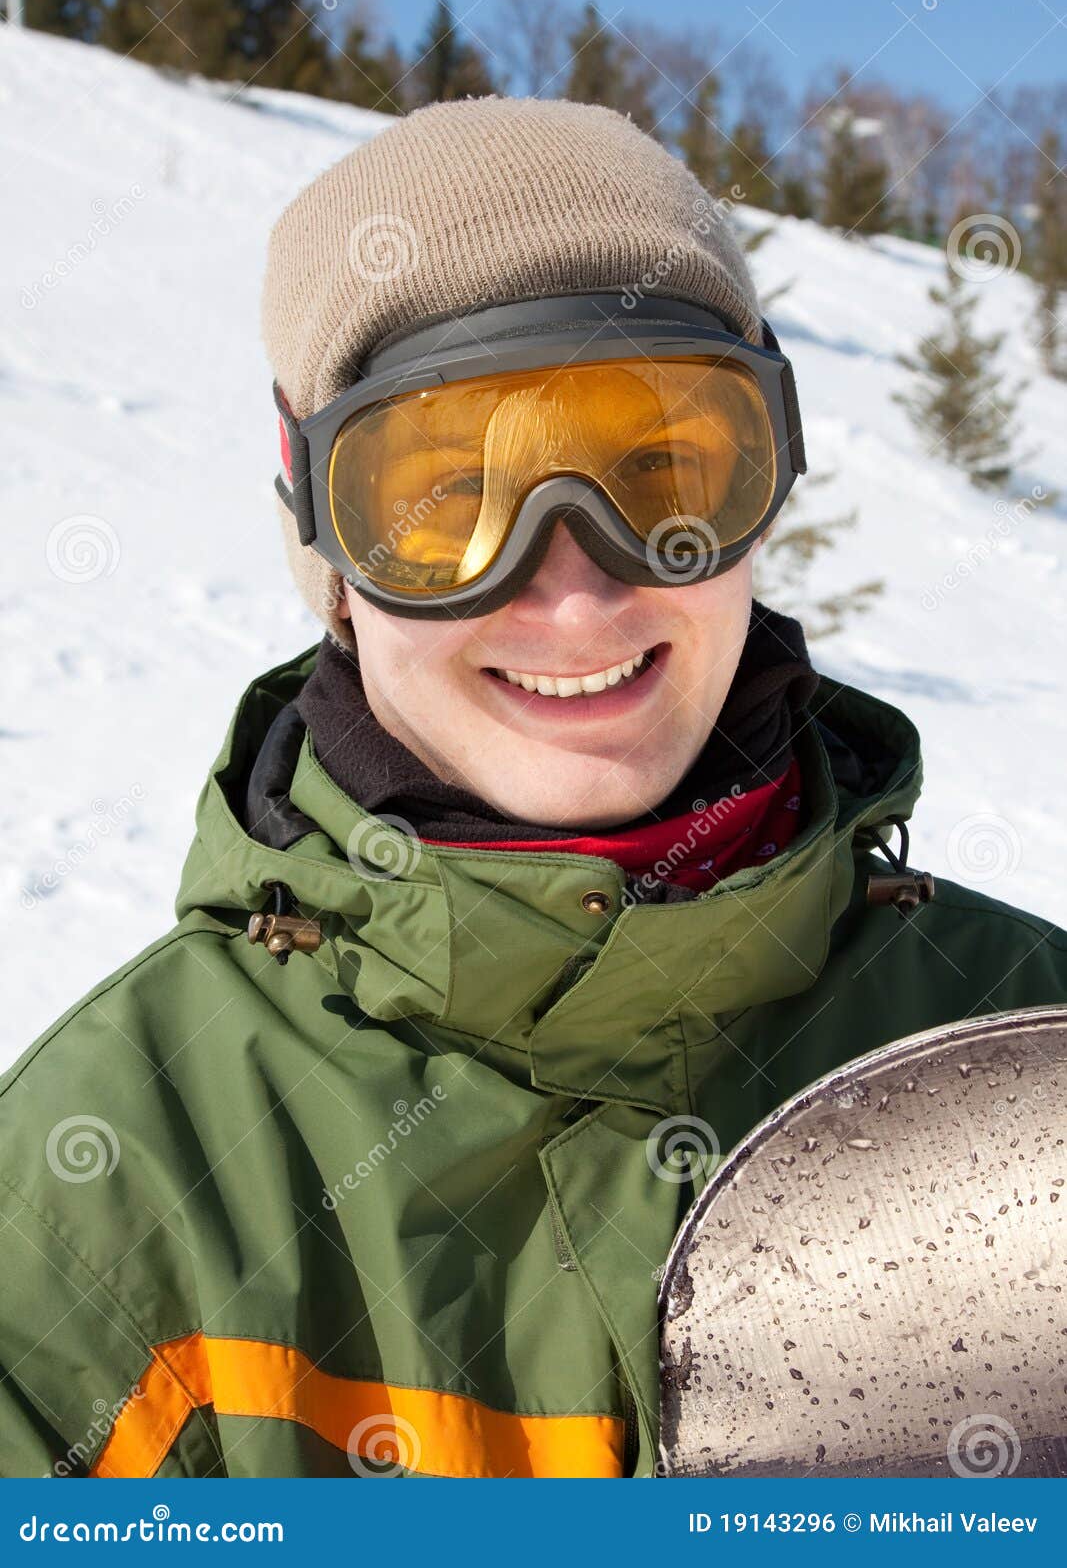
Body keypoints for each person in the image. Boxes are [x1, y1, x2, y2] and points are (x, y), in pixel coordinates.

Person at [2, 98, 1065, 1481]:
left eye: (665, 464)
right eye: (445, 501)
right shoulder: (124, 1187)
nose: (576, 590)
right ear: (325, 541)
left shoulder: (1019, 1062)